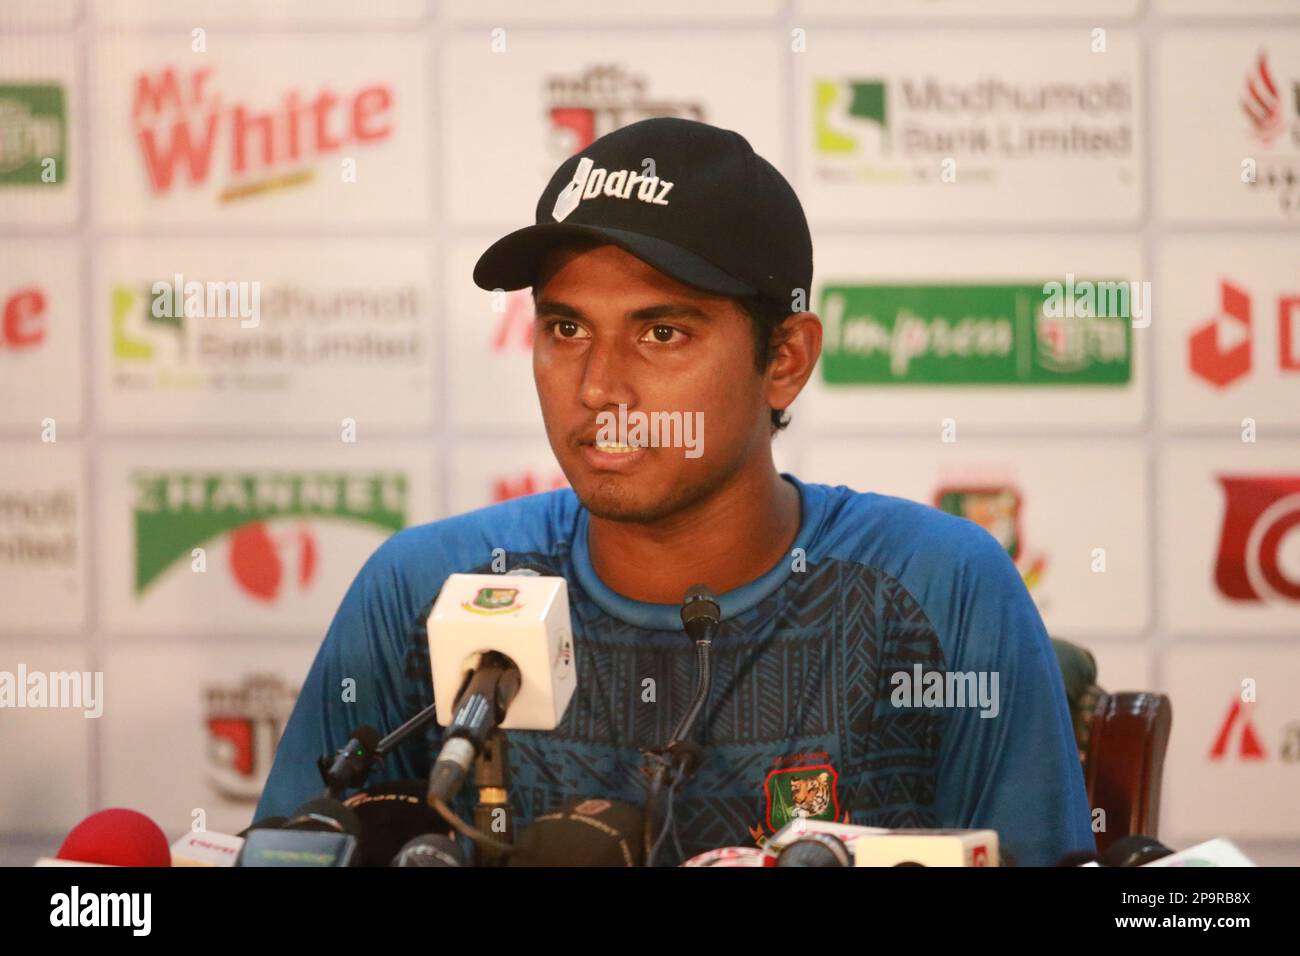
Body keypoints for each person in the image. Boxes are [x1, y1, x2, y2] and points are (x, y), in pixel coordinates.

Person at [254, 117, 1094, 866]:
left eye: (661, 332)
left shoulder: (935, 588)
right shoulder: (423, 589)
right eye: (565, 328)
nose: (598, 388)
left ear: (786, 359)